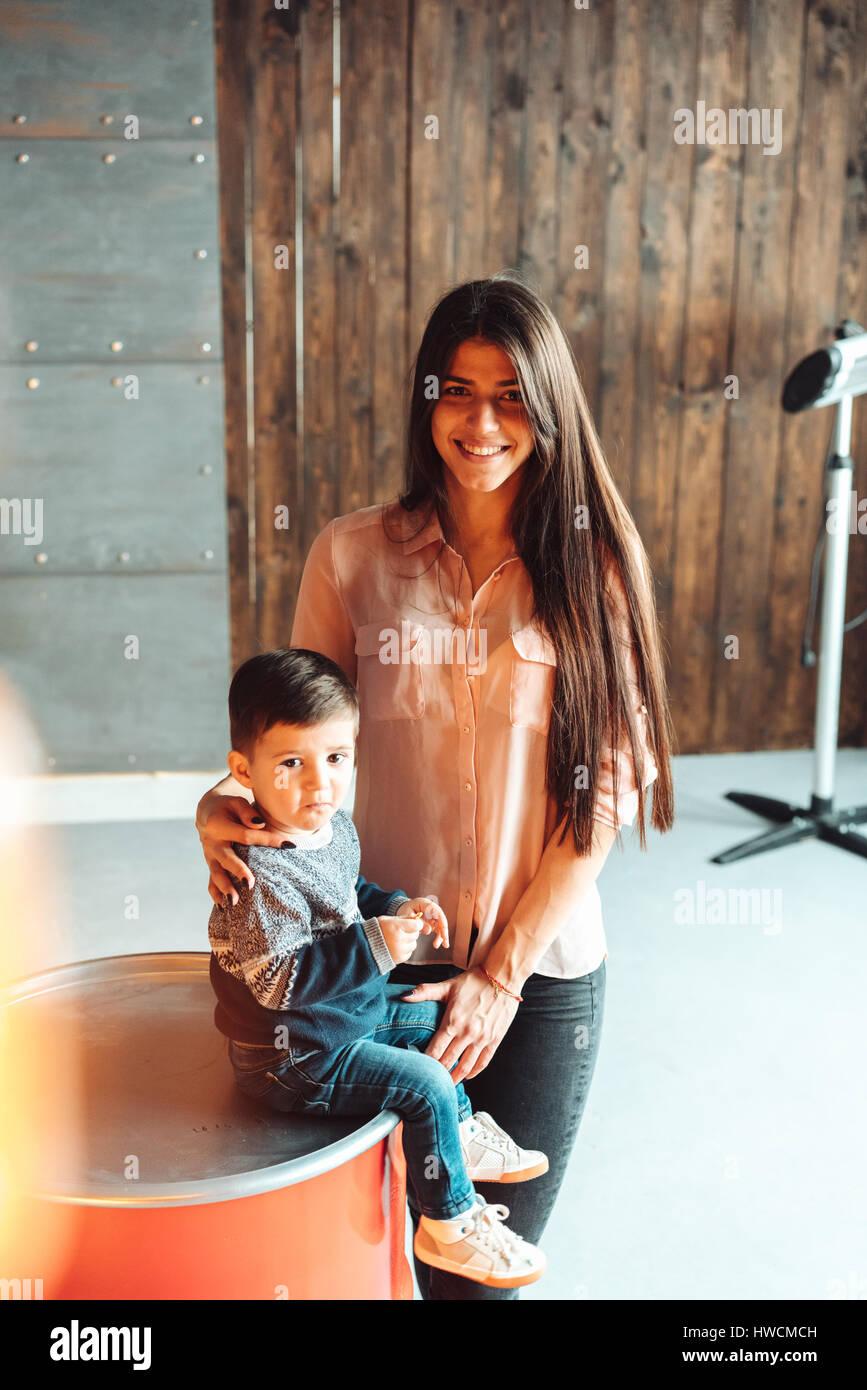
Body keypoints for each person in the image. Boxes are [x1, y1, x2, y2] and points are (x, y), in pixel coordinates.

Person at [197, 273, 675, 1300]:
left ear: (548, 406)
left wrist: (500, 977)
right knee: (378, 1254)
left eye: (510, 395)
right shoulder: (352, 557)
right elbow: (293, 747)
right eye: (457, 390)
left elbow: (599, 806)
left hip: (538, 982)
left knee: (477, 1275)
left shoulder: (598, 570)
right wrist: (219, 805)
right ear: (426, 402)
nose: (482, 421)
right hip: (374, 978)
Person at [207, 646, 551, 1288]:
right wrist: (377, 945)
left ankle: (463, 1129)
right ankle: (448, 1225)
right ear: (242, 772)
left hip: (339, 1020)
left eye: (337, 759)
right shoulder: (257, 877)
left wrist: (396, 906)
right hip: (293, 1057)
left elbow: (348, 891)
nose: (320, 784)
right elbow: (282, 985)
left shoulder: (328, 828)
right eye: (291, 764)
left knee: (429, 1013)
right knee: (423, 1085)